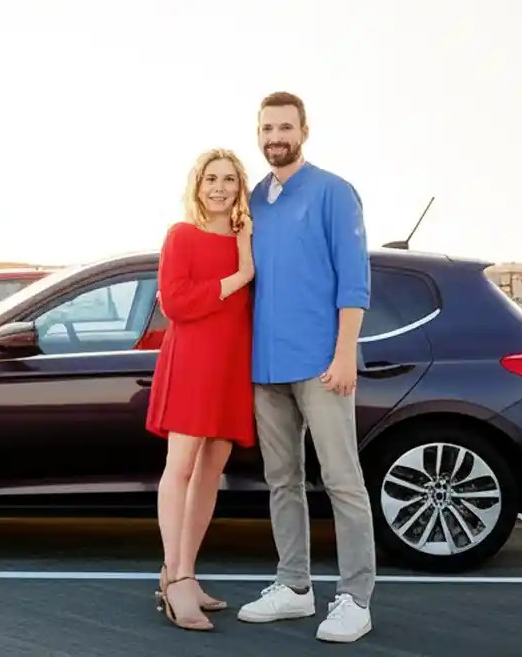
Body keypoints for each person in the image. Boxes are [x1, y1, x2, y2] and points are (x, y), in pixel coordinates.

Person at [235, 91, 376, 643]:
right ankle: (294, 587)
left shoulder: (334, 193)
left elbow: (353, 280)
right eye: (267, 127)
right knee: (281, 482)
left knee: (343, 482)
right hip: (265, 368)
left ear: (304, 130)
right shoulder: (254, 201)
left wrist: (344, 354)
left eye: (285, 127)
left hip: (321, 366)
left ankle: (355, 598)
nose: (276, 136)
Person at [146, 148, 257, 631]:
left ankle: (183, 571)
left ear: (239, 186)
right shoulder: (182, 235)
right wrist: (235, 279)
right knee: (182, 467)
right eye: (210, 178)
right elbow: (175, 301)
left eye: (228, 179)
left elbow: (255, 288)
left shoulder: (245, 237)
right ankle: (177, 582)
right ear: (197, 185)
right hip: (193, 361)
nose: (219, 187)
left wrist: (246, 252)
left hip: (233, 365)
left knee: (211, 472)